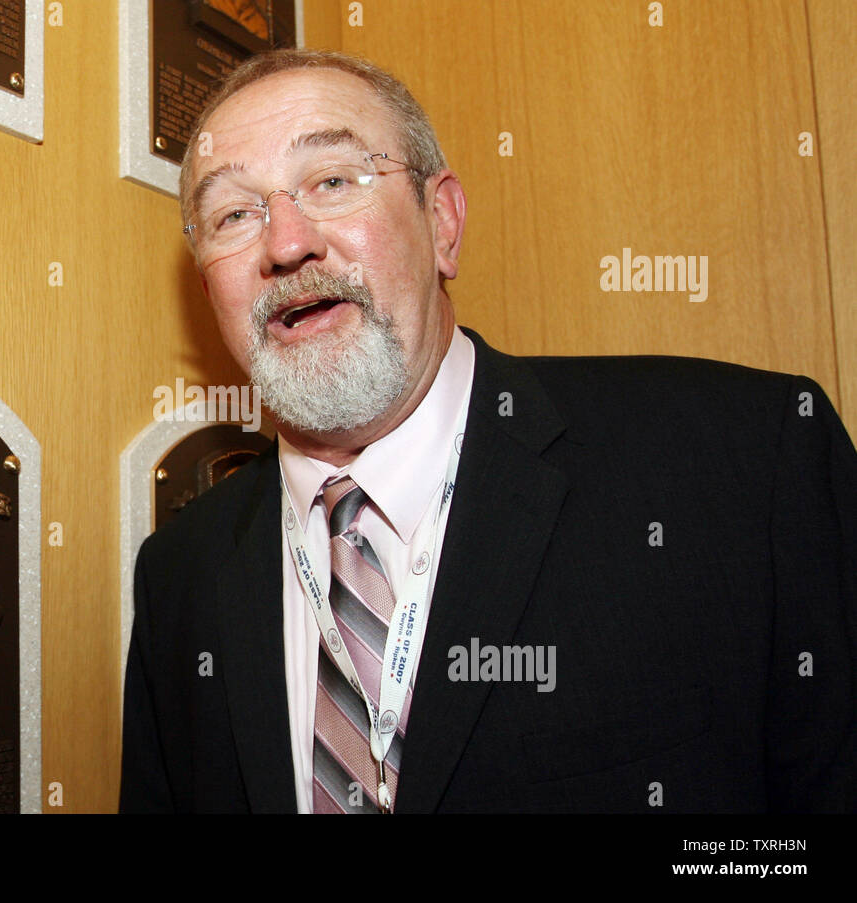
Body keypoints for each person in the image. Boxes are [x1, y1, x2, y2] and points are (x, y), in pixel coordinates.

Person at [120, 48, 857, 813]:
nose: (285, 243)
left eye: (333, 181)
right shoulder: (179, 577)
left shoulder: (749, 465)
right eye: (234, 214)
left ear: (442, 223)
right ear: (209, 282)